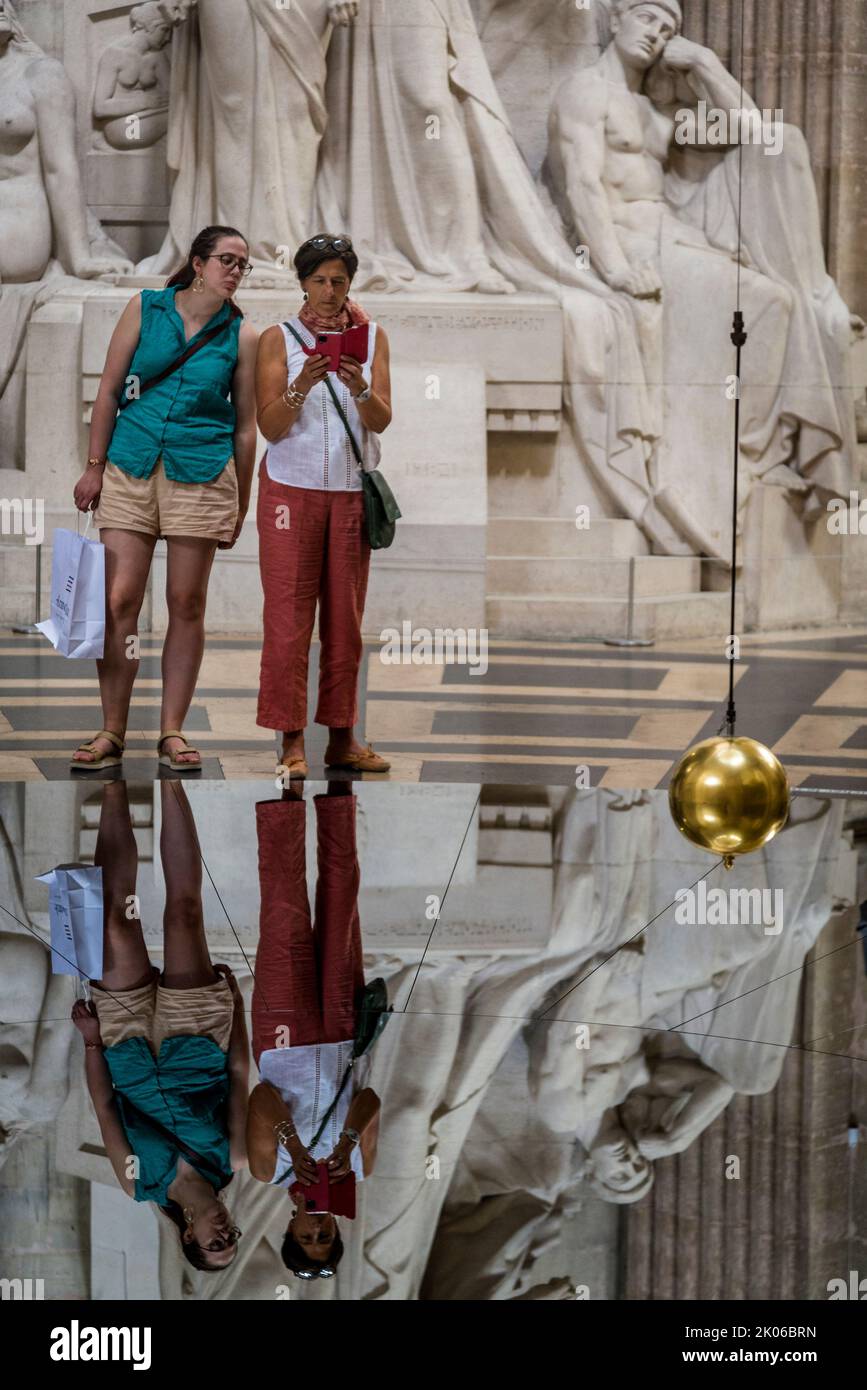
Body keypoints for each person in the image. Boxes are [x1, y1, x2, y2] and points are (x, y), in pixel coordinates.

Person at [71, 225, 258, 772]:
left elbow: (245, 428)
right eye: (227, 260)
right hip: (130, 463)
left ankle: (172, 730)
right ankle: (112, 728)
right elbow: (109, 390)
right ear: (197, 263)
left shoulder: (242, 334)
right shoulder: (145, 308)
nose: (235, 271)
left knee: (186, 602)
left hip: (201, 471)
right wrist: (93, 466)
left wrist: (241, 503)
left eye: (242, 265)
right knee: (119, 600)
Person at [70, 779, 249, 1271]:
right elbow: (238, 1075)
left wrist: (91, 1045)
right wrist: (237, 1006)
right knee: (183, 916)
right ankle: (171, 782)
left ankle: (113, 786)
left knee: (113, 920)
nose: (225, 1232)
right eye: (233, 1237)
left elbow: (105, 1106)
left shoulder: (136, 1181)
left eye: (216, 1244)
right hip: (197, 1039)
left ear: (188, 1234)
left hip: (125, 1049)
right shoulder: (232, 1158)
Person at [255, 233, 392, 778]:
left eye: (339, 281)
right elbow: (269, 425)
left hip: (351, 491)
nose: (330, 292)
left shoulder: (374, 336)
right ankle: (290, 740)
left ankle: (342, 736)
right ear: (302, 283)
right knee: (288, 619)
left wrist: (359, 388)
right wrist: (300, 386)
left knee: (345, 620)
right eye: (319, 281)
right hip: (291, 488)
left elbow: (381, 420)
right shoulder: (278, 338)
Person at [246, 787, 381, 1278]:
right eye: (327, 1236)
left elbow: (261, 1097)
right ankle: (340, 799)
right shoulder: (360, 1169)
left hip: (285, 1039)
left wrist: (296, 1147)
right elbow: (371, 1101)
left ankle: (289, 793)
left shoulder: (270, 1171)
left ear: (290, 1227)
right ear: (338, 1230)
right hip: (343, 1034)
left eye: (308, 1236)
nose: (318, 1228)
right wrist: (345, 1147)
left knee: (282, 912)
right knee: (342, 902)